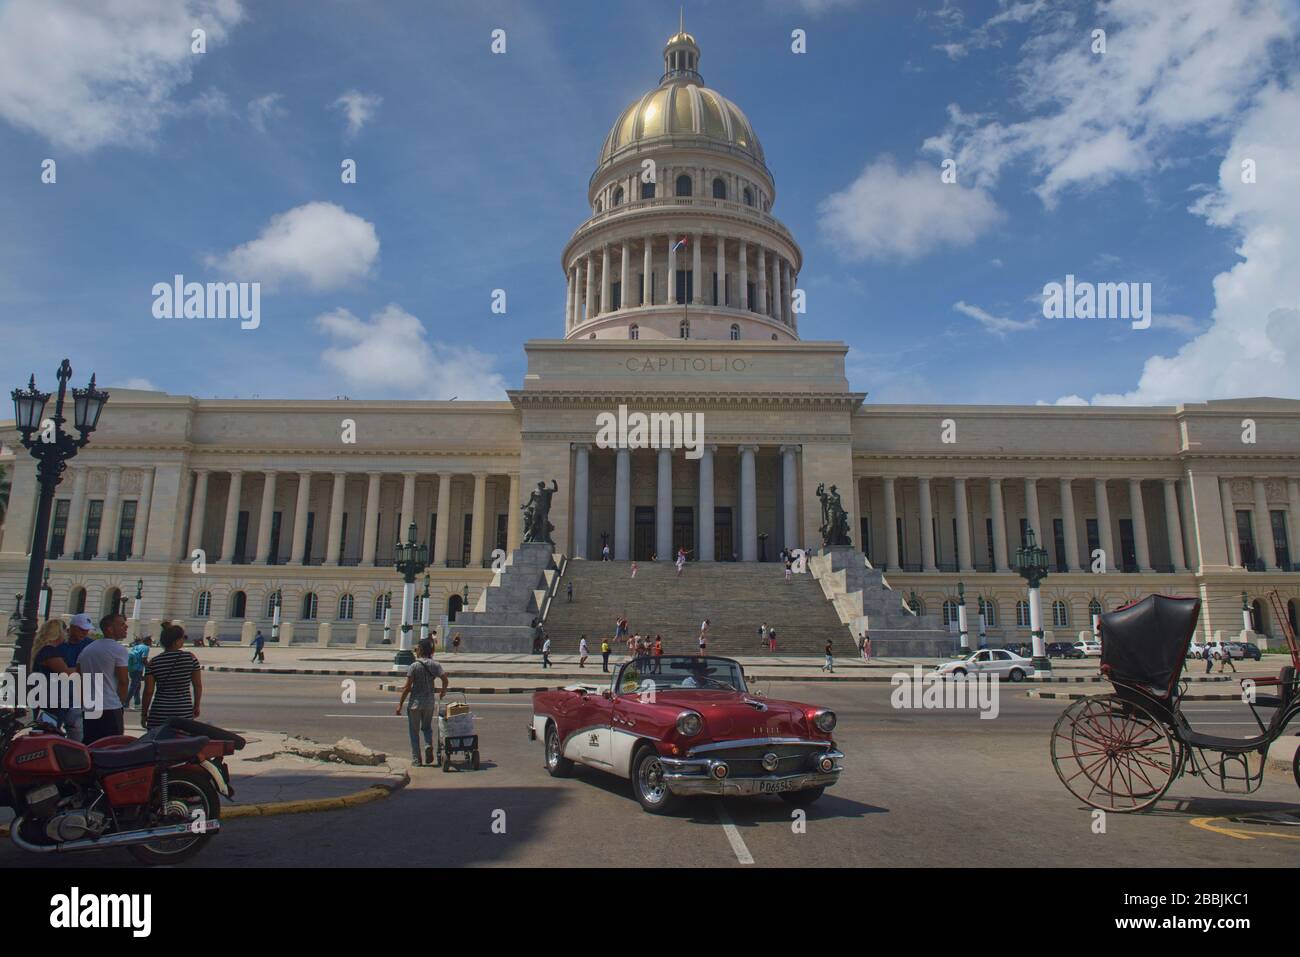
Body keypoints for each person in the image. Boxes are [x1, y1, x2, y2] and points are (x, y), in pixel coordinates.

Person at [76, 613, 131, 744]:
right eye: (122, 624)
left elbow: (78, 675)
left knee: (91, 743)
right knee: (112, 746)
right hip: (109, 706)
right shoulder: (118, 649)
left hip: (90, 706)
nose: (126, 627)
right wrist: (121, 703)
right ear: (109, 629)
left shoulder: (88, 649)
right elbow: (123, 681)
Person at [394, 638, 447, 766]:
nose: (416, 650)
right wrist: (442, 692)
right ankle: (428, 745)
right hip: (429, 703)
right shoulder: (435, 665)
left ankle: (417, 760)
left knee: (414, 732)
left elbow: (407, 687)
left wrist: (400, 704)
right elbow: (445, 680)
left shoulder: (414, 666)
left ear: (421, 650)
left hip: (415, 704)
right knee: (427, 728)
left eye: (417, 648)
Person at [142, 622, 202, 730]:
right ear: (176, 642)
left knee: (157, 744)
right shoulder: (191, 658)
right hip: (183, 711)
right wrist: (196, 705)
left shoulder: (154, 662)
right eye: (183, 638)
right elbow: (197, 685)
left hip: (159, 711)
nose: (184, 640)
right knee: (181, 742)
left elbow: (148, 691)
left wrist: (144, 714)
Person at [30, 619, 82, 740]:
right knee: (48, 730)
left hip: (46, 696)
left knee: (47, 728)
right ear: (59, 632)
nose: (67, 634)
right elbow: (66, 673)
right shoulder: (49, 651)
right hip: (52, 698)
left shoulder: (44, 649)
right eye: (65, 630)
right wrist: (82, 667)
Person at [126, 635, 151, 709]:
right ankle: (125, 703)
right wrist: (149, 667)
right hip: (138, 669)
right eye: (150, 641)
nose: (151, 643)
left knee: (137, 686)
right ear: (147, 641)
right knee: (134, 686)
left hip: (131, 668)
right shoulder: (146, 648)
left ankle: (137, 702)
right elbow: (144, 659)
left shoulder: (137, 646)